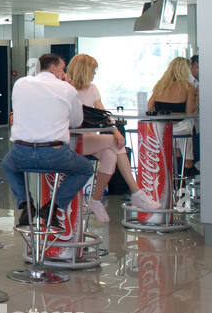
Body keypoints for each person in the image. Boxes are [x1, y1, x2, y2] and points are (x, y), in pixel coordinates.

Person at [2, 53, 93, 228]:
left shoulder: (20, 83)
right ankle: (53, 206)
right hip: (54, 154)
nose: (64, 72)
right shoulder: (67, 89)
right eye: (62, 68)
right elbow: (76, 122)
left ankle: (26, 204)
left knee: (8, 165)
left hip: (20, 152)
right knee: (85, 169)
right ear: (54, 68)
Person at [65, 54, 156, 222]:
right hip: (71, 141)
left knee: (111, 155)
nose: (94, 74)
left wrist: (116, 131)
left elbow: (103, 113)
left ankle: (96, 199)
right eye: (93, 71)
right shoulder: (65, 88)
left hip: (89, 140)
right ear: (85, 71)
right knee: (116, 144)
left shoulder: (92, 89)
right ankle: (136, 192)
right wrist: (115, 135)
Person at [147, 56, 199, 175]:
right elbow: (190, 112)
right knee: (188, 128)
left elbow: (149, 107)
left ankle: (173, 171)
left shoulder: (160, 86)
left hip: (162, 129)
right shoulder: (188, 87)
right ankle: (187, 164)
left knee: (173, 143)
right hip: (181, 129)